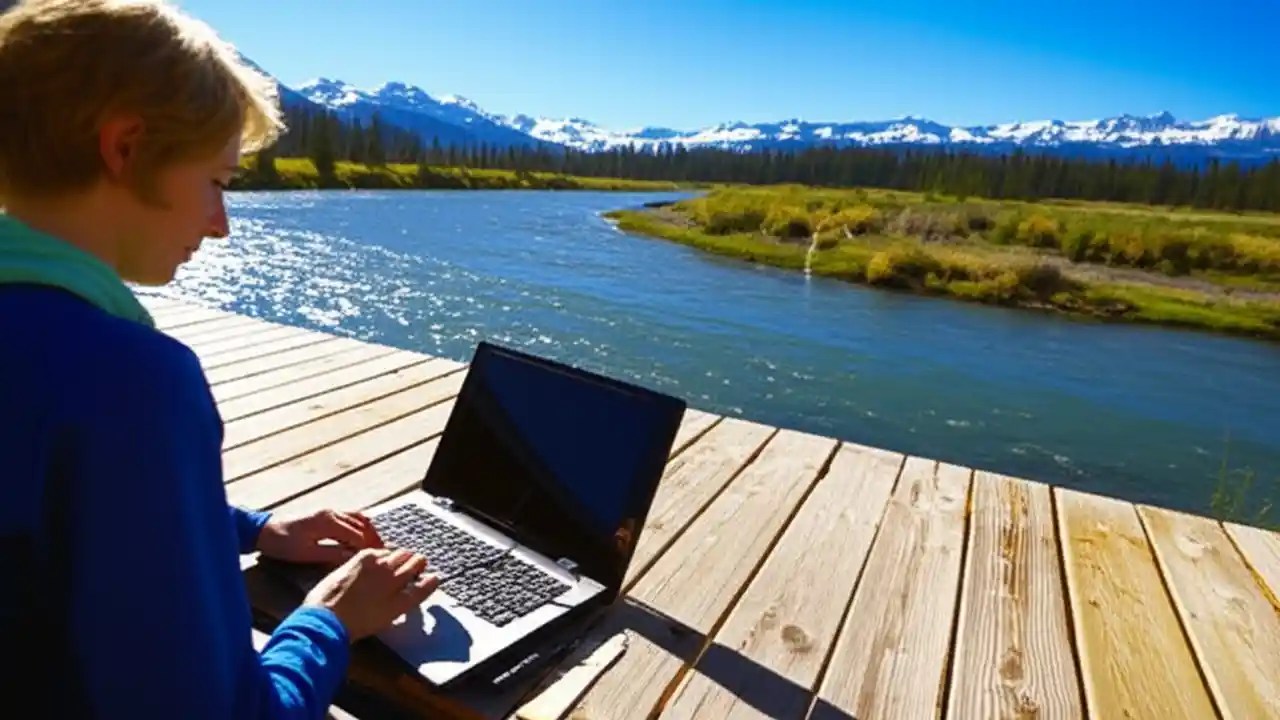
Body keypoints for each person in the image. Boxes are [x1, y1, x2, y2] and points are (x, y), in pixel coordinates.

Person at [0, 1, 440, 717]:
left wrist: (251, 528)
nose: (221, 225)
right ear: (126, 148)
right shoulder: (131, 383)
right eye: (217, 183)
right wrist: (328, 620)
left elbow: (45, 520)